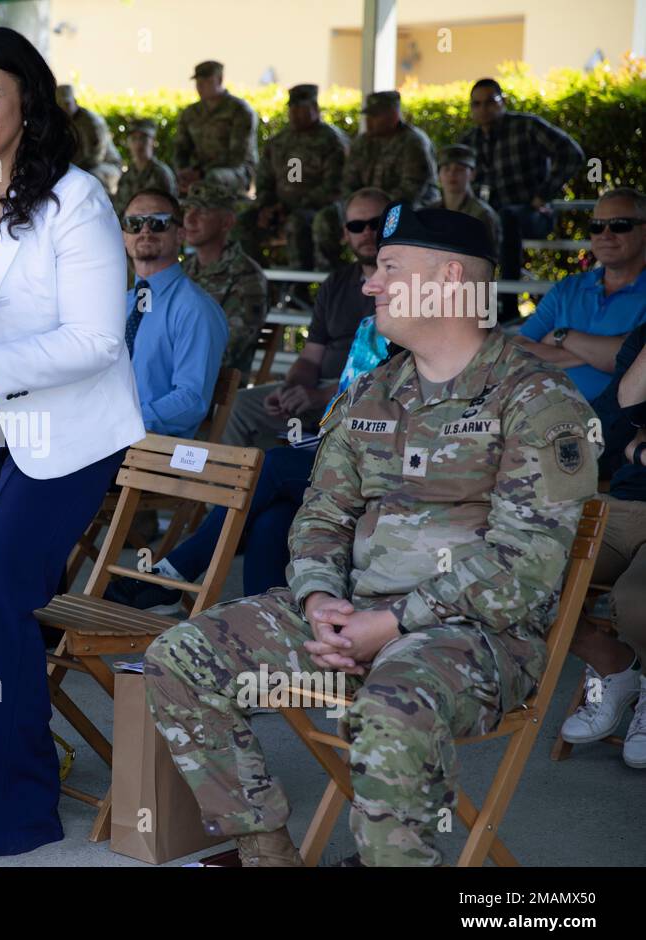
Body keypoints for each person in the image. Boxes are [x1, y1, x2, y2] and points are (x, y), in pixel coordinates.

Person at [145, 205, 600, 867]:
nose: (370, 284)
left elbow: (525, 564)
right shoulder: (373, 393)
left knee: (391, 701)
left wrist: (392, 624)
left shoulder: (536, 401)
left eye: (389, 268)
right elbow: (322, 516)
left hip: (477, 638)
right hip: (354, 620)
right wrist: (319, 600)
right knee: (178, 655)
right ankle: (265, 853)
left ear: (446, 278)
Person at [0, 27, 146, 861]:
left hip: (69, 429)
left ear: (27, 102)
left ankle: (10, 806)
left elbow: (98, 339)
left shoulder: (76, 198)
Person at [108, 313, 391, 610]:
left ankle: (175, 570)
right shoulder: (371, 326)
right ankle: (263, 619)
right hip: (337, 447)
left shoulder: (419, 337)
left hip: (382, 466)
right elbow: (336, 391)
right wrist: (292, 389)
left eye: (390, 266)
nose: (372, 285)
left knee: (272, 467)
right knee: (271, 515)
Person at [220, 187, 384, 450]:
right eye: (356, 225)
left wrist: (321, 396)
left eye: (376, 223)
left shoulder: (409, 285)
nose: (366, 232)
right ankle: (229, 489)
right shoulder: (336, 283)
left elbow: (391, 373)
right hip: (320, 393)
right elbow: (310, 357)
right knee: (238, 407)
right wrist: (292, 389)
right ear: (345, 234)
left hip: (369, 399)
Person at [560, 322, 646, 768]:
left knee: (636, 602)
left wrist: (639, 449)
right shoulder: (641, 338)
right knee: (520, 572)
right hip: (623, 503)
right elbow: (607, 432)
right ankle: (615, 667)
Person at [460, 78, 585, 319]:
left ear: (503, 102)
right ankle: (468, 309)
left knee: (507, 218)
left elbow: (572, 153)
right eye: (476, 104)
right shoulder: (470, 141)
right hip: (490, 218)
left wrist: (544, 193)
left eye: (490, 102)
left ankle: (508, 308)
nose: (483, 109)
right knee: (468, 222)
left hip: (533, 214)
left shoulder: (527, 127)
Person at [514, 188, 646, 402]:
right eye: (597, 226)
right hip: (544, 416)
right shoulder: (567, 288)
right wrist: (605, 351)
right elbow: (518, 352)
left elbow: (632, 360)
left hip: (616, 429)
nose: (606, 235)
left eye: (619, 225)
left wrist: (563, 336)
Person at [121, 188, 225, 437]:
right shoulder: (117, 303)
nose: (145, 230)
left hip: (151, 453)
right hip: (101, 443)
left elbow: (190, 401)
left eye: (158, 222)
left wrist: (121, 422)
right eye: (134, 223)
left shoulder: (195, 308)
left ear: (180, 234)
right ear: (124, 236)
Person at [312, 92, 438, 272]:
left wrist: (375, 209)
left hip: (407, 208)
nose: (369, 121)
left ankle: (395, 274)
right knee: (326, 219)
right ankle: (337, 278)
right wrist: (356, 209)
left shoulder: (414, 142)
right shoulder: (362, 143)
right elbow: (348, 183)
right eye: (368, 116)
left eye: (375, 115)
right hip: (364, 210)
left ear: (393, 114)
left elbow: (411, 189)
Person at [240, 83, 347, 271]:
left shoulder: (331, 140)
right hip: (280, 209)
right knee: (242, 224)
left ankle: (300, 289)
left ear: (314, 109)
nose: (295, 113)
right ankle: (259, 279)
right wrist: (266, 207)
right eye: (292, 108)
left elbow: (334, 187)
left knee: (297, 223)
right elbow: (265, 181)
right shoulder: (280, 141)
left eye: (301, 108)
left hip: (317, 209)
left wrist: (293, 206)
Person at [180, 181, 268, 376]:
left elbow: (225, 352)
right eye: (188, 209)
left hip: (214, 392)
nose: (189, 218)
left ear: (226, 223)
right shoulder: (183, 270)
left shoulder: (246, 276)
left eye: (202, 212)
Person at [173, 60, 258, 196]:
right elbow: (181, 148)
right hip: (198, 171)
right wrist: (183, 170)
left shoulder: (240, 110)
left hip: (238, 172)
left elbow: (237, 155)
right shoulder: (190, 113)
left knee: (212, 178)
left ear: (219, 80)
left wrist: (201, 172)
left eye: (206, 81)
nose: (200, 86)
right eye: (197, 81)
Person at [430, 144, 500, 253]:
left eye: (459, 169)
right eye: (446, 169)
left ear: (472, 174)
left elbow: (489, 257)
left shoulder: (482, 215)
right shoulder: (430, 211)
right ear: (438, 175)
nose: (452, 174)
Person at [56, 84, 123, 196]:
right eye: (60, 104)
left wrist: (70, 171)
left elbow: (95, 157)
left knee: (89, 178)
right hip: (80, 167)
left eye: (67, 103)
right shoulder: (61, 122)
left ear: (75, 101)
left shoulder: (91, 122)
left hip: (107, 166)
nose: (64, 108)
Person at [113, 119, 178, 217]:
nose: (139, 144)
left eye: (144, 138)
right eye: (134, 139)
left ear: (153, 141)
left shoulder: (161, 173)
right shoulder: (127, 175)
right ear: (128, 143)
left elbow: (170, 211)